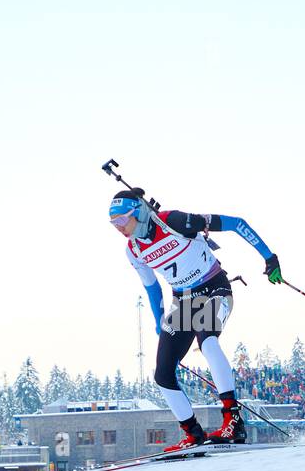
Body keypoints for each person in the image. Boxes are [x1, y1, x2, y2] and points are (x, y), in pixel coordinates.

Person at [109, 187, 282, 451]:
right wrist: (159, 321)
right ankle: (192, 433)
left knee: (208, 342)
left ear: (138, 212)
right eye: (113, 223)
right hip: (183, 302)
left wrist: (270, 258)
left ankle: (233, 422)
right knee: (163, 374)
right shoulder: (133, 250)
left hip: (214, 288)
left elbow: (236, 224)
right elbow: (152, 286)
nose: (118, 227)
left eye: (121, 219)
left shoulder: (175, 221)